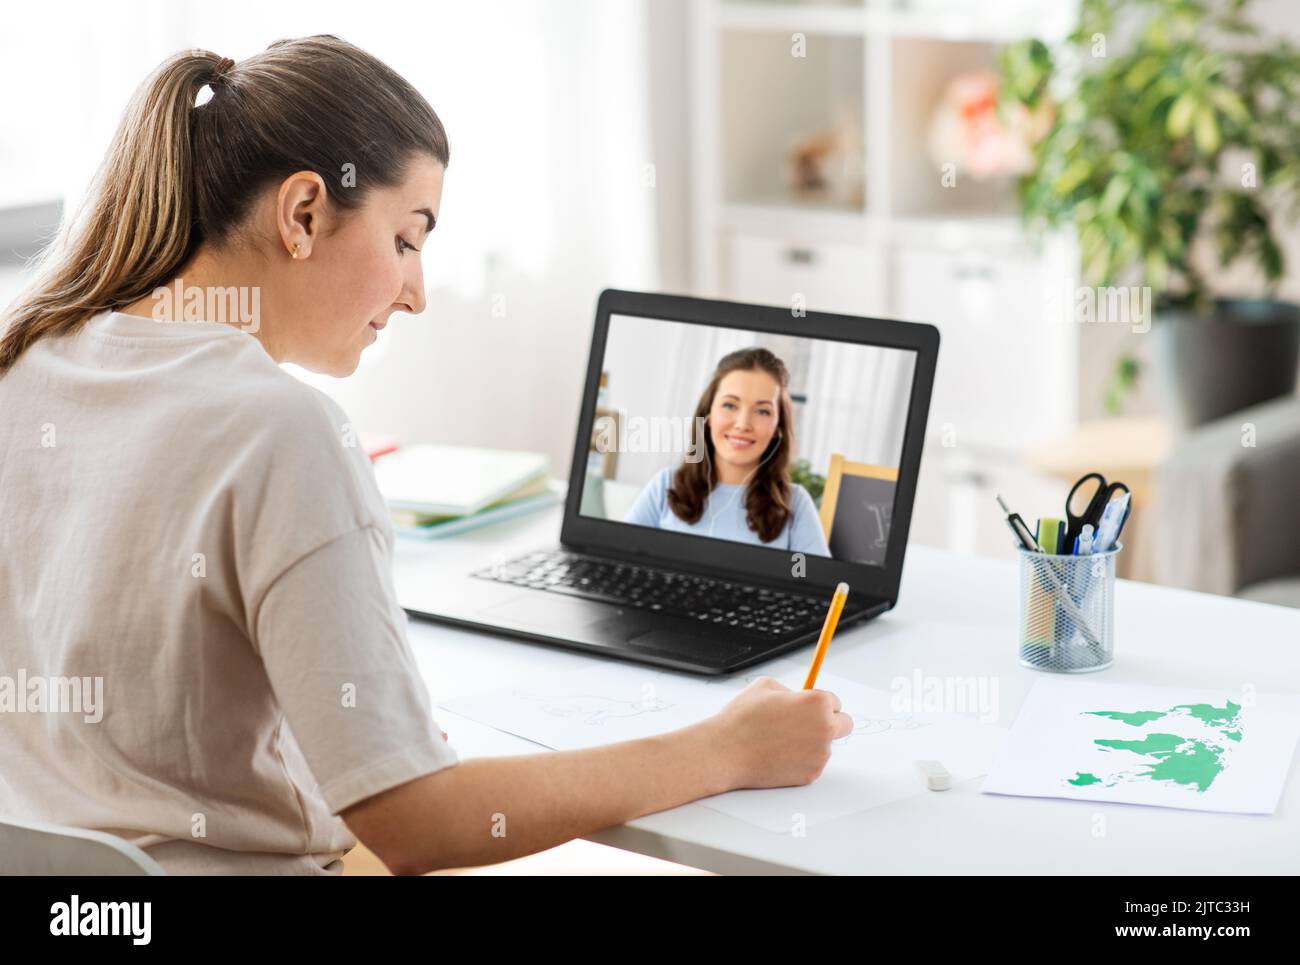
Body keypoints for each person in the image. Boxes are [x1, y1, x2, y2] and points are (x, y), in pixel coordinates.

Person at [0, 36, 851, 875]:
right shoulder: (281, 433)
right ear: (303, 213)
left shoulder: (25, 360)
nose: (414, 293)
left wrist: (357, 743)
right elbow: (419, 824)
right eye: (407, 239)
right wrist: (726, 749)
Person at [624, 348, 831, 557]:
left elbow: (822, 587)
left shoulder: (795, 504)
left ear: (778, 427)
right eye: (730, 405)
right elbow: (619, 559)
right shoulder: (666, 485)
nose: (742, 424)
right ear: (708, 415)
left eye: (762, 411)